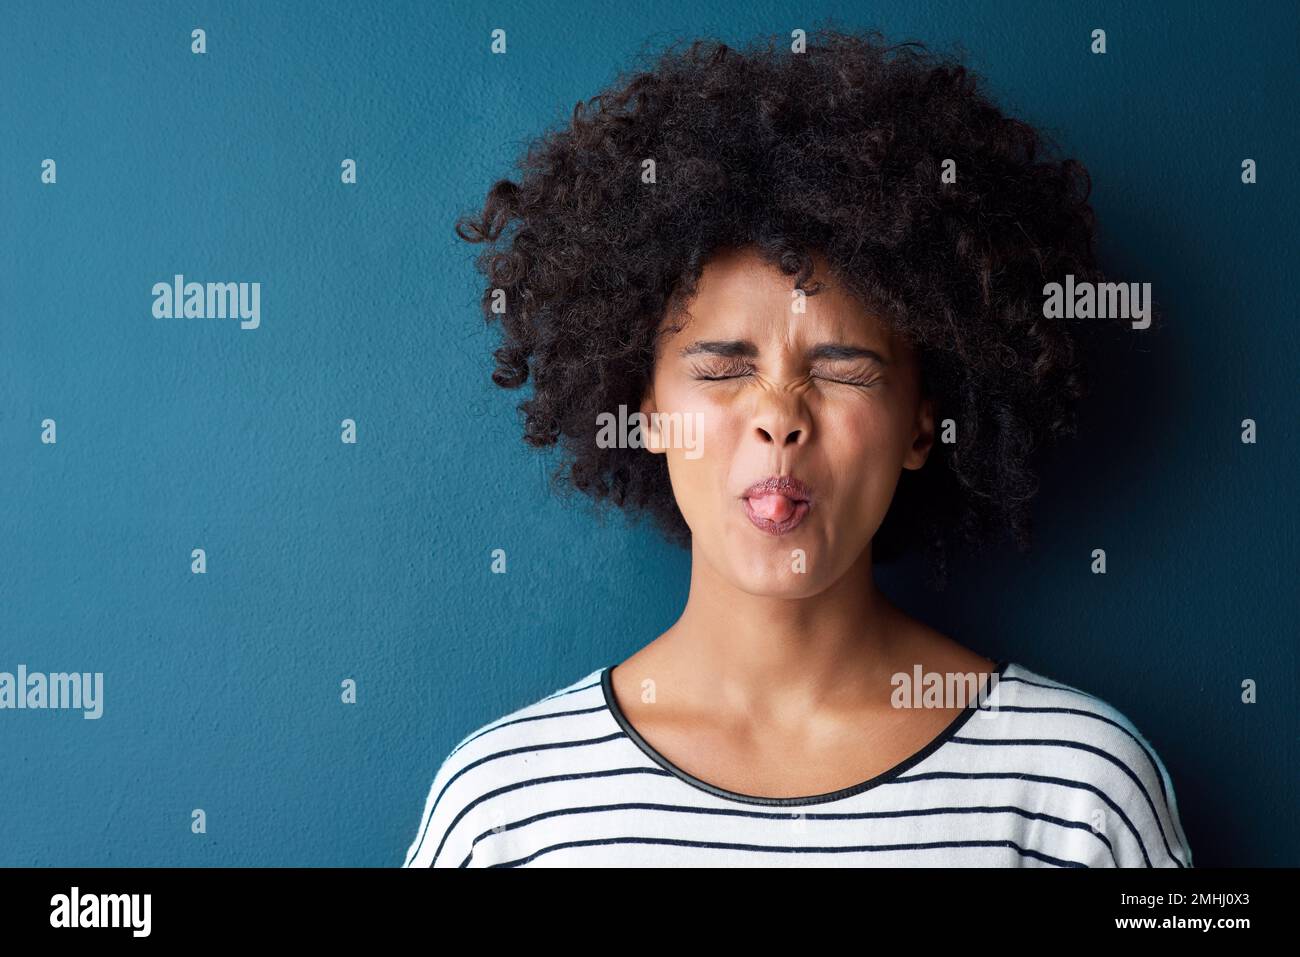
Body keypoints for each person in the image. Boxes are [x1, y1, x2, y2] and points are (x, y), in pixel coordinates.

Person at [403, 27, 1192, 868]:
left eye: (844, 371)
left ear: (924, 422)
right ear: (644, 409)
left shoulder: (1079, 792)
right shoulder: (503, 807)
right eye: (721, 368)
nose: (779, 415)